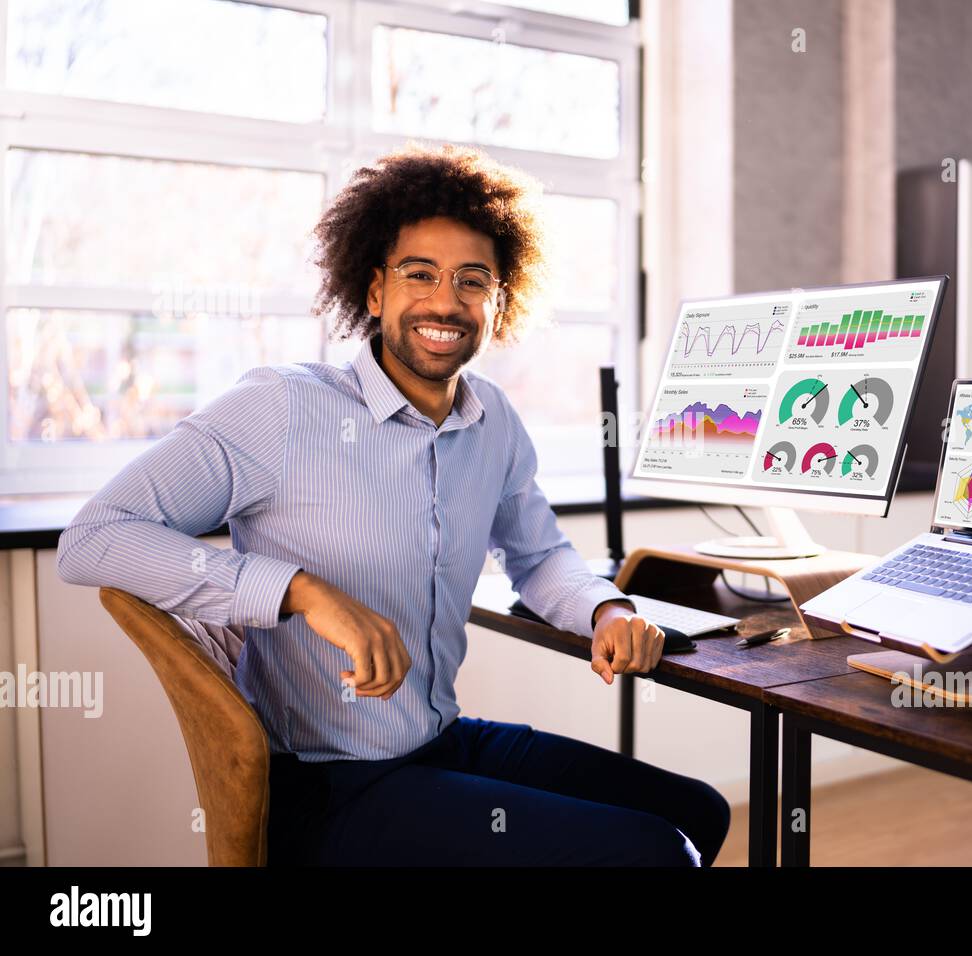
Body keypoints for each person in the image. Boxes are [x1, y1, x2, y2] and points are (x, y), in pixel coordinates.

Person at [57, 142, 730, 866]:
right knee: (656, 853)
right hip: (328, 789)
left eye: (473, 281)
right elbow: (93, 537)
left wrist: (608, 610)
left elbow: (538, 558)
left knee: (698, 810)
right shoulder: (282, 408)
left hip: (438, 744)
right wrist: (302, 592)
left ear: (499, 302)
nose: (446, 301)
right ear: (374, 292)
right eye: (421, 274)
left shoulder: (491, 419)